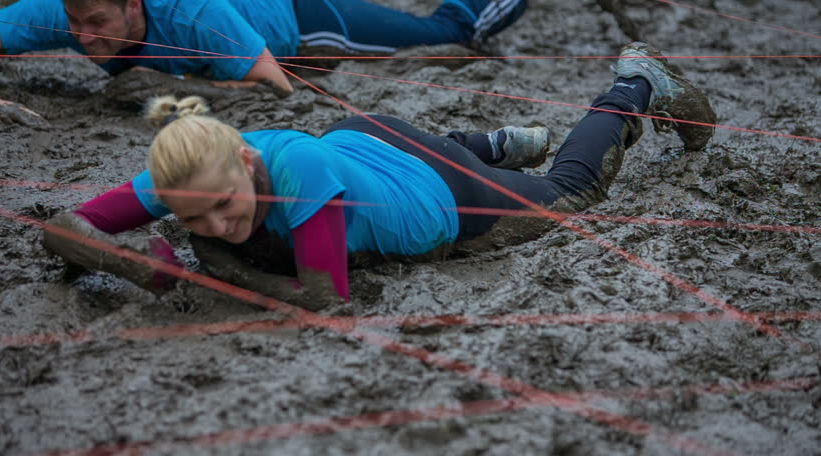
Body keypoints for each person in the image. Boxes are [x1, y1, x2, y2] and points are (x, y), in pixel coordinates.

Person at [42, 41, 714, 311]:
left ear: (248, 161)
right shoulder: (188, 166)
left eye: (224, 205)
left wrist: (213, 264)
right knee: (324, 195)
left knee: (574, 193)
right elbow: (57, 228)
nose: (215, 223)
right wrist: (137, 263)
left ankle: (636, 83)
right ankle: (490, 144)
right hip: (366, 139)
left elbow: (327, 302)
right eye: (193, 217)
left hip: (444, 196)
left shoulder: (290, 172)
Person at [0, 0, 615, 119]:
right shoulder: (65, 6)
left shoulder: (194, 17)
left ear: (136, 3)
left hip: (296, 21)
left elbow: (277, 86)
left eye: (98, 25)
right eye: (75, 24)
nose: (83, 39)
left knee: (450, 37)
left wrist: (182, 93)